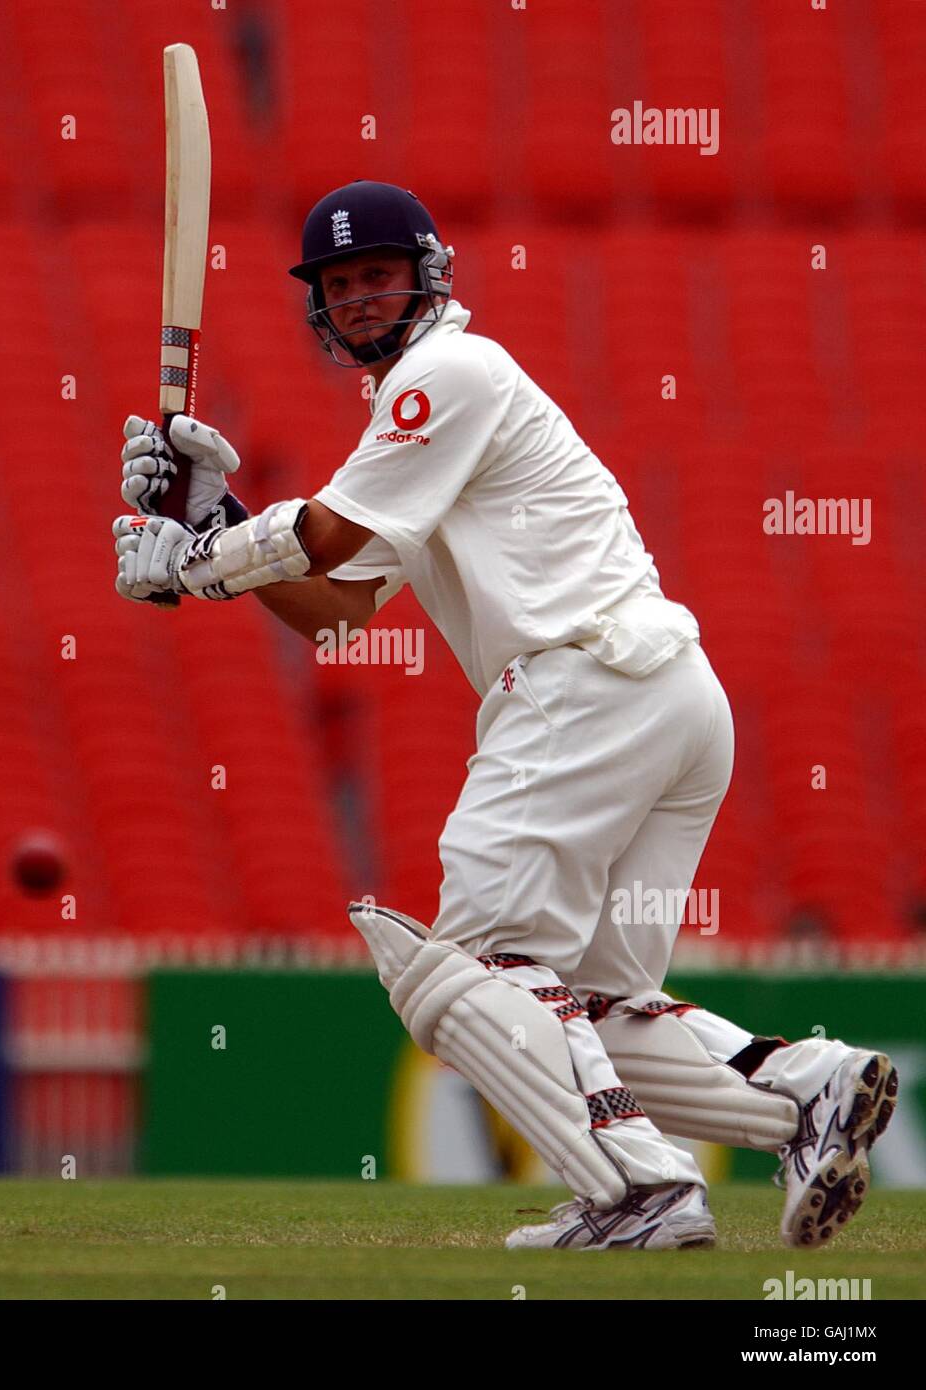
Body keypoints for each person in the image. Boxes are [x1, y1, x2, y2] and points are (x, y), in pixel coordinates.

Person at [111, 180, 897, 1250]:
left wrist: (194, 559)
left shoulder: (449, 373)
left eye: (375, 275)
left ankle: (642, 1186)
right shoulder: (416, 422)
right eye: (337, 286)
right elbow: (331, 610)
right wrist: (213, 516)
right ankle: (809, 1086)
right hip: (667, 698)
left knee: (470, 965)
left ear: (427, 274)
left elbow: (327, 538)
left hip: (584, 684)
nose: (356, 300)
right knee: (597, 1003)